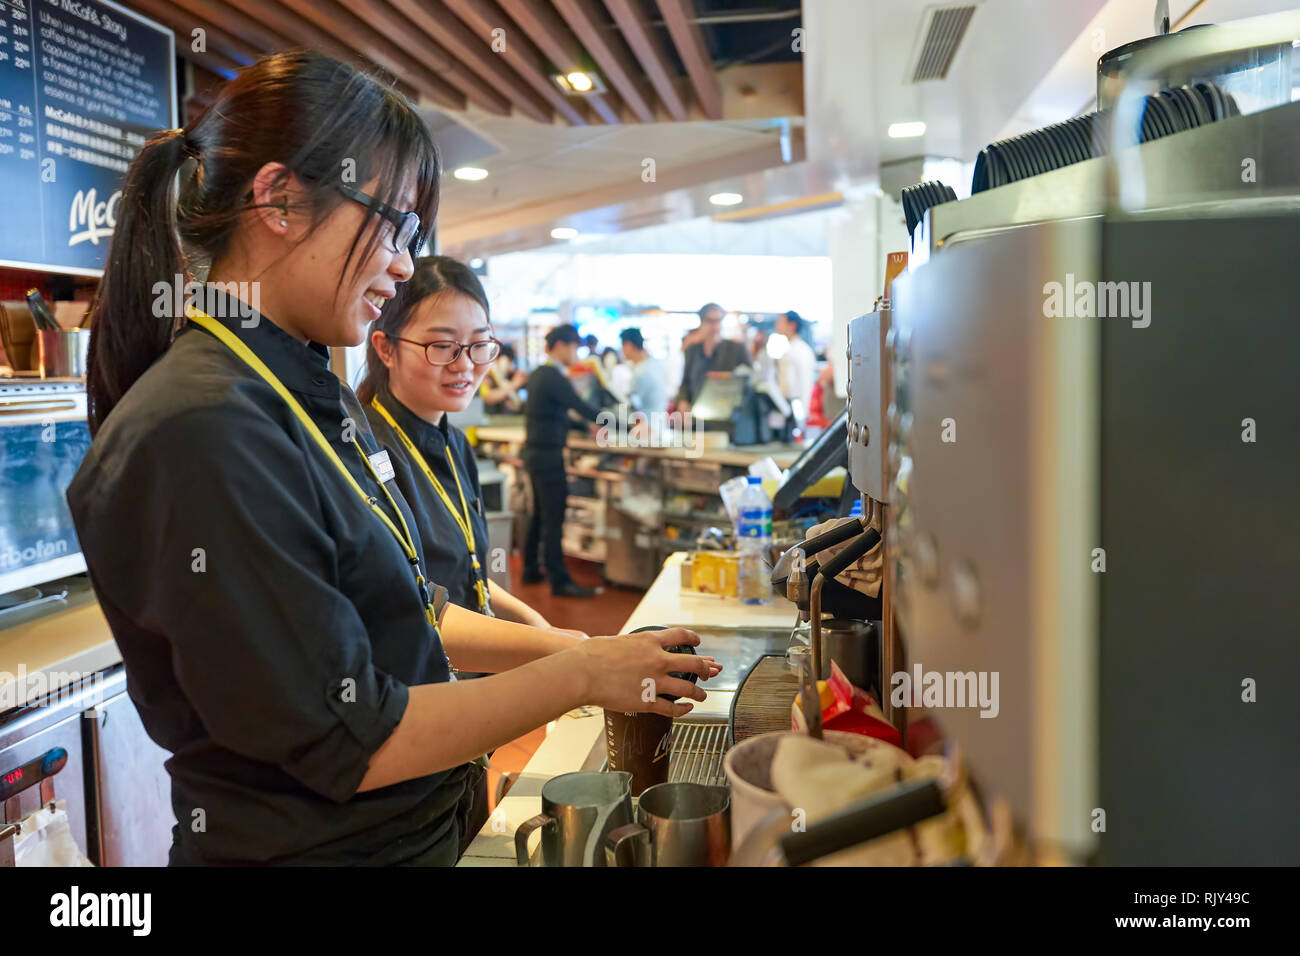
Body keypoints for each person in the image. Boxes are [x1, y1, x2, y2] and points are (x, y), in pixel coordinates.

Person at [67, 51, 715, 866]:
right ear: (279, 200)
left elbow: (406, 615)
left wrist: (586, 655)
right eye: (396, 224)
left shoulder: (306, 392)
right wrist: (587, 676)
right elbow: (356, 740)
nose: (405, 262)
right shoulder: (206, 425)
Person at [357, 255, 585, 851]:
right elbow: (416, 609)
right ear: (384, 347)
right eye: (441, 348)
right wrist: (570, 656)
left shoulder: (452, 440)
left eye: (479, 346)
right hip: (412, 722)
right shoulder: (366, 458)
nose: (465, 367)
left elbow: (465, 572)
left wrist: (534, 621)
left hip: (469, 712)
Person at [522, 324, 606, 598]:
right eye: (574, 347)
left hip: (535, 453)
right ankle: (560, 582)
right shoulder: (553, 376)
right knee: (554, 515)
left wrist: (582, 428)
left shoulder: (539, 375)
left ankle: (531, 569)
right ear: (560, 346)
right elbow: (578, 405)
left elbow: (556, 413)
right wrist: (623, 423)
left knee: (539, 515)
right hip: (547, 455)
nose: (576, 354)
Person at [676, 302, 750, 411]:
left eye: (718, 321)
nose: (715, 326)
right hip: (696, 414)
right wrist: (683, 400)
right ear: (701, 323)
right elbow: (686, 382)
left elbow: (749, 379)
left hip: (725, 414)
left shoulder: (736, 349)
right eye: (710, 321)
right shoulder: (693, 350)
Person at [775, 310, 817, 424]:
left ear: (792, 325)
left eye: (781, 322)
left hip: (798, 404)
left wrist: (805, 413)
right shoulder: (790, 348)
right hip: (788, 404)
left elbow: (806, 382)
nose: (777, 325)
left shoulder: (801, 350)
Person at [619, 327, 666, 413]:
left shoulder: (641, 372)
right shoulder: (653, 364)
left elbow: (634, 404)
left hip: (647, 423)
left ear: (629, 346)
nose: (621, 350)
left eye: (622, 346)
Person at [479, 342, 527, 413]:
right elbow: (487, 397)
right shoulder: (487, 373)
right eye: (509, 361)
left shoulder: (503, 377)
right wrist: (514, 384)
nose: (510, 366)